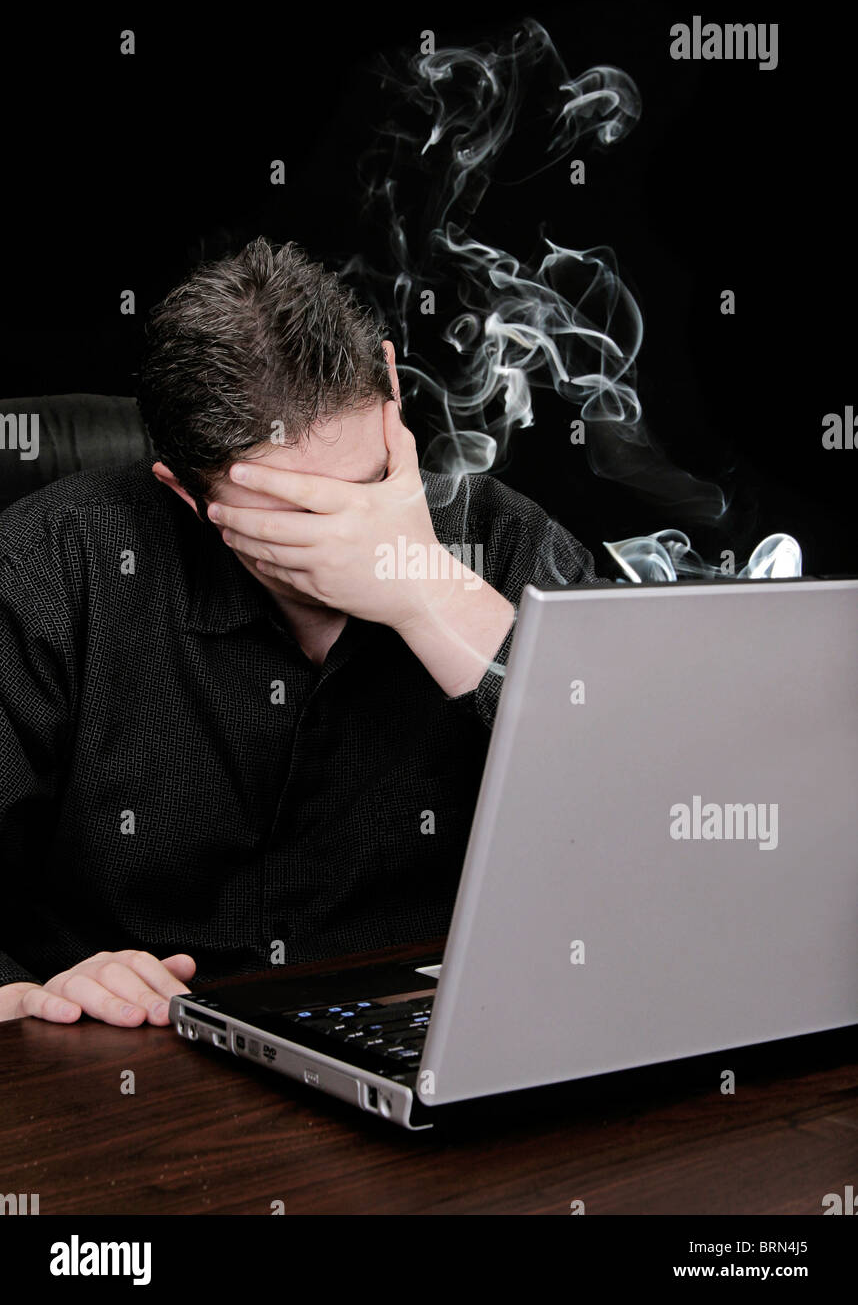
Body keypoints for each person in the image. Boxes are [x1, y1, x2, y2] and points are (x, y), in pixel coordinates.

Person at [0, 238, 600, 1025]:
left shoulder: (505, 540)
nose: (346, 535)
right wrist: (25, 993)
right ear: (185, 494)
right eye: (294, 520)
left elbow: (649, 806)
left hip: (434, 1037)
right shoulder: (54, 564)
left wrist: (426, 590)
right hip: (144, 1065)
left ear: (389, 392)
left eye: (367, 488)